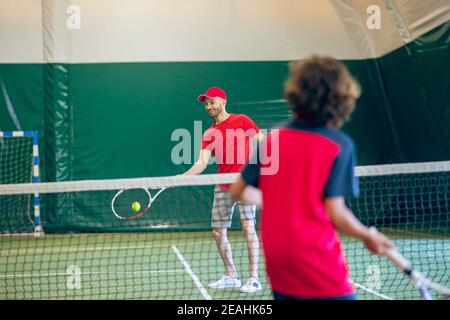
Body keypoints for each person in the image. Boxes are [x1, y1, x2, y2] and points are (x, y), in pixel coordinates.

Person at [230, 55, 393, 300]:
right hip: (317, 260)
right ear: (341, 97)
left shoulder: (273, 139)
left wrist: (273, 201)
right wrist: (367, 235)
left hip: (278, 260)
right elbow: (336, 213)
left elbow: (238, 190)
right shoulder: (339, 145)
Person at [182, 87, 264, 293]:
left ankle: (254, 278)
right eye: (206, 104)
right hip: (223, 185)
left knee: (248, 227)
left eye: (212, 102)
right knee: (218, 231)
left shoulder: (243, 120)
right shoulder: (209, 133)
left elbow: (263, 143)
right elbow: (201, 162)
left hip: (245, 184)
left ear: (223, 101)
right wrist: (181, 178)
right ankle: (231, 275)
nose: (208, 107)